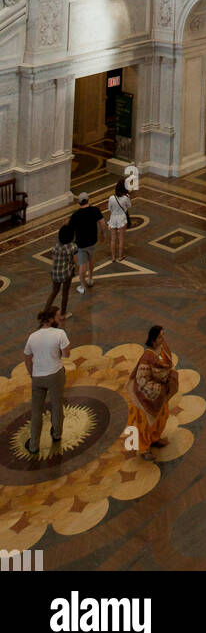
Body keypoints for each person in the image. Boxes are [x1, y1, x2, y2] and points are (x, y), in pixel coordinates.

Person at [125, 325, 178, 462]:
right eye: (160, 336)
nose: (163, 338)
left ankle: (155, 439)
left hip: (159, 395)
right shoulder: (146, 358)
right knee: (145, 424)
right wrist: (159, 389)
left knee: (161, 417)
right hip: (146, 397)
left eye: (163, 335)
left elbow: (166, 366)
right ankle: (144, 449)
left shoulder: (163, 348)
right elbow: (141, 380)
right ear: (153, 340)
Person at [24, 306, 70, 454]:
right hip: (55, 374)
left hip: (38, 377)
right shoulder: (60, 333)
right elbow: (66, 355)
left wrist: (32, 374)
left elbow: (27, 358)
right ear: (51, 320)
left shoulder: (32, 336)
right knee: (57, 406)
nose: (60, 318)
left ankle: (33, 445)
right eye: (57, 316)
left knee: (36, 412)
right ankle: (56, 434)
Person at [69, 192, 105, 295]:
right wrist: (102, 234)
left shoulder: (75, 215)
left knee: (82, 264)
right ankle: (90, 279)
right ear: (88, 200)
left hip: (81, 243)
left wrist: (71, 242)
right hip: (93, 241)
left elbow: (70, 230)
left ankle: (82, 286)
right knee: (91, 259)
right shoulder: (95, 210)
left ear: (78, 202)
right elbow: (102, 223)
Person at [42, 223, 77, 320]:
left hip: (55, 273)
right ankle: (62, 314)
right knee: (65, 293)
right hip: (66, 273)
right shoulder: (72, 247)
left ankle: (45, 312)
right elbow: (74, 261)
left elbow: (54, 258)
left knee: (54, 292)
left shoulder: (56, 247)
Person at [107, 176, 133, 262]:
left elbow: (109, 208)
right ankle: (120, 256)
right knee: (121, 238)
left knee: (113, 239)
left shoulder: (111, 198)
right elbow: (129, 206)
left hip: (113, 218)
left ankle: (113, 257)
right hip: (122, 218)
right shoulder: (126, 197)